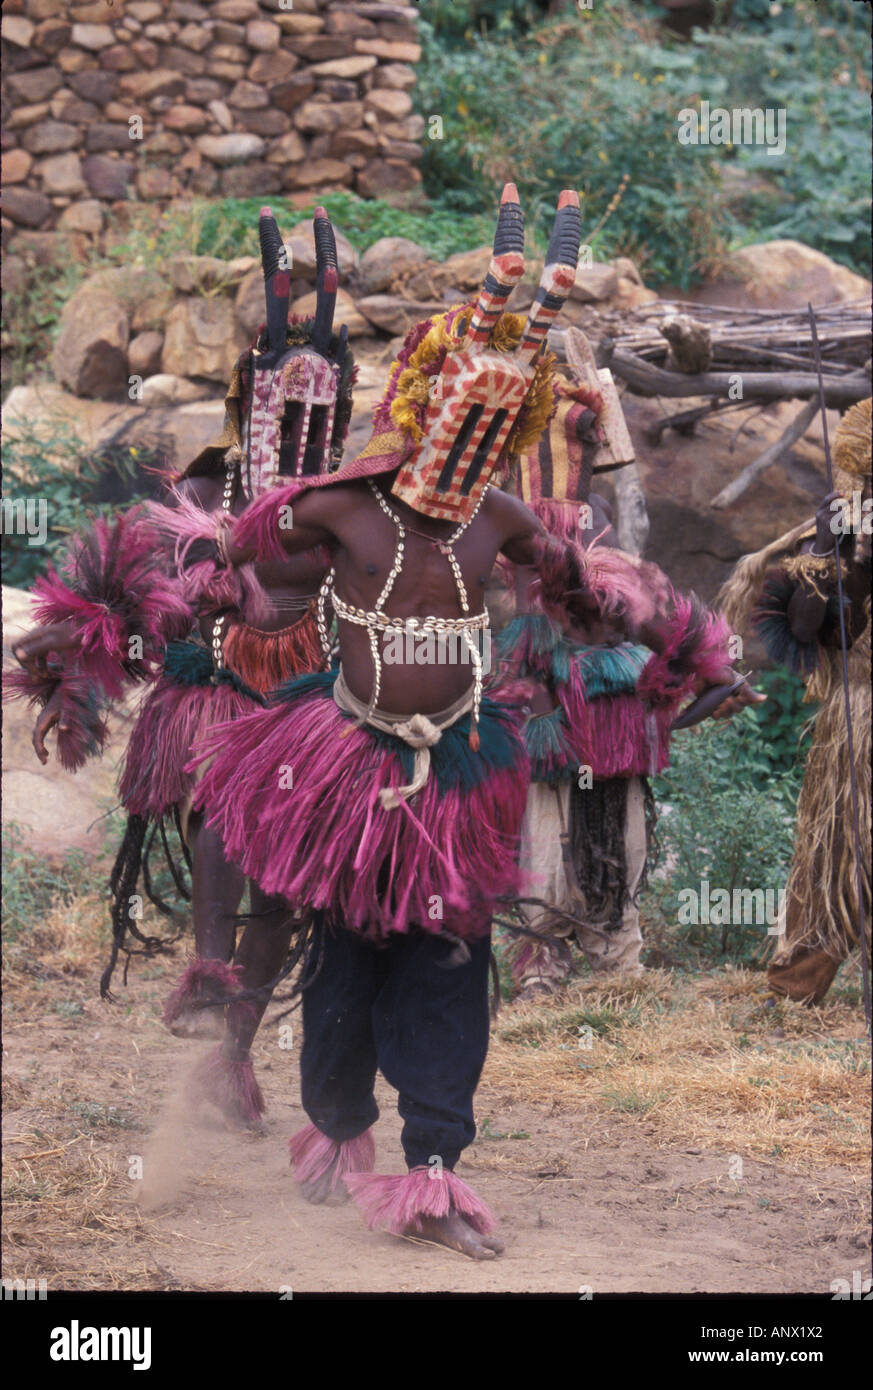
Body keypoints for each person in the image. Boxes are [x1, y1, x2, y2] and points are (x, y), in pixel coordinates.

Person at [178, 185, 754, 1259]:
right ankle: (342, 1130)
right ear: (424, 402)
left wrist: (663, 640)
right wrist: (220, 589)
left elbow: (583, 594)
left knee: (450, 959)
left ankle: (436, 1165)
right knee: (347, 962)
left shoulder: (503, 519)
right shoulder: (342, 507)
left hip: (455, 775)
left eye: (501, 418)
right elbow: (240, 551)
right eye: (464, 410)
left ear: (516, 424)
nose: (477, 433)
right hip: (345, 768)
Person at [9, 210, 356, 1127]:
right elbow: (133, 598)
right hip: (218, 700)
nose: (301, 421)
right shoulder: (203, 490)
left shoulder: (353, 507)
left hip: (309, 710)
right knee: (224, 819)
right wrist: (78, 637)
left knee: (281, 886)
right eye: (284, 402)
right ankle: (207, 981)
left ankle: (235, 1049)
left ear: (341, 413)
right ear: (249, 404)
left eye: (320, 409)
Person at [496, 341, 763, 995]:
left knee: (616, 868)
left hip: (620, 768)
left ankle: (616, 970)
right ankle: (542, 966)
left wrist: (662, 722)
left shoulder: (640, 598)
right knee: (544, 873)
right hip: (550, 768)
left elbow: (718, 673)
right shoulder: (524, 610)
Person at [718, 398, 871, 1005]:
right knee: (832, 853)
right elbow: (808, 634)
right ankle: (797, 984)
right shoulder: (839, 538)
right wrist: (833, 555)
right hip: (856, 720)